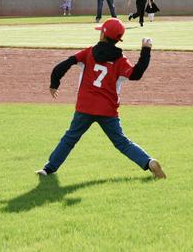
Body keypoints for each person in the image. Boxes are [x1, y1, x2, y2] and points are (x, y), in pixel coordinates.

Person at [37, 18, 164, 179]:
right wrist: (146, 50)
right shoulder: (120, 60)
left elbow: (63, 65)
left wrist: (54, 83)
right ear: (118, 39)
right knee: (122, 142)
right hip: (108, 110)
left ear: (103, 35)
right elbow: (136, 74)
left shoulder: (89, 53)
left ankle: (48, 169)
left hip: (85, 107)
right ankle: (149, 162)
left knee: (70, 138)